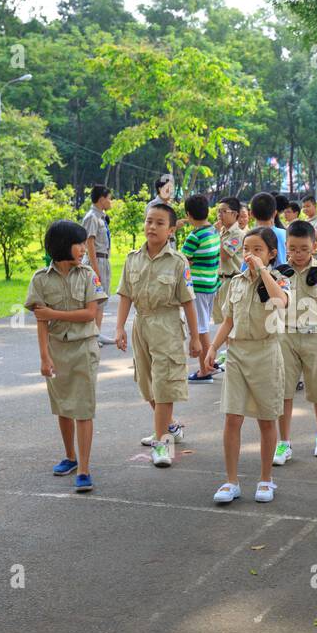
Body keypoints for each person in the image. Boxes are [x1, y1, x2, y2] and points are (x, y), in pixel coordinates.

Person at [202, 228, 291, 504]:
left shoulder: (280, 278)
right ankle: (231, 481)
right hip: (237, 353)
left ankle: (266, 479)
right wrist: (213, 347)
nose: (249, 255)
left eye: (257, 250)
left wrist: (263, 271)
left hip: (265, 352)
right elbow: (228, 320)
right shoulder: (236, 282)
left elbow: (281, 301)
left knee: (266, 419)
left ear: (271, 253)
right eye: (246, 249)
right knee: (232, 417)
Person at [114, 200, 201, 467]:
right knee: (147, 384)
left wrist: (196, 338)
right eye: (149, 221)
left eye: (160, 223)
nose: (152, 227)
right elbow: (126, 294)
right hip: (142, 324)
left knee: (164, 386)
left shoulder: (178, 262)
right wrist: (119, 327)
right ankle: (169, 425)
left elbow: (188, 301)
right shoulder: (132, 258)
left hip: (167, 326)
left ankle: (163, 443)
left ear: (171, 230)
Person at [26, 220, 104, 493]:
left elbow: (89, 314)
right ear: (62, 246)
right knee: (63, 406)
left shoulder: (88, 275)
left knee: (82, 408)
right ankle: (70, 457)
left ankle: (84, 468)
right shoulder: (40, 279)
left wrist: (52, 313)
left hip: (84, 347)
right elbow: (40, 322)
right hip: (57, 350)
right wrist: (44, 358)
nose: (84, 249)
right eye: (79, 243)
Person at [274, 220, 317, 464]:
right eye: (293, 248)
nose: (298, 254)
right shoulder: (280, 272)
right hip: (286, 337)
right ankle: (283, 442)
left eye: (304, 248)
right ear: (286, 246)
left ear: (314, 246)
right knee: (284, 391)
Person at [179, 194, 221, 384]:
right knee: (203, 327)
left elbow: (181, 261)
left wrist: (189, 260)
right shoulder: (212, 231)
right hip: (211, 284)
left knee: (200, 329)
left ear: (188, 214)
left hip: (198, 287)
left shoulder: (194, 236)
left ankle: (205, 369)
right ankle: (210, 363)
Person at [213, 196, 246, 367]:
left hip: (232, 280)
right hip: (221, 281)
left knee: (230, 322)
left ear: (234, 214)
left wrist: (216, 236)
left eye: (223, 211)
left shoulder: (238, 234)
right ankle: (229, 355)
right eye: (218, 211)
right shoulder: (223, 232)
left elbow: (225, 255)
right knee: (224, 321)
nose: (219, 215)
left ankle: (233, 358)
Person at [82, 185, 115, 345]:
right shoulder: (91, 217)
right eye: (109, 198)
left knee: (102, 297)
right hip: (97, 261)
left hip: (104, 260)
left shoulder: (101, 217)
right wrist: (95, 268)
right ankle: (91, 334)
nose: (111, 201)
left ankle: (97, 333)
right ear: (101, 199)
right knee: (94, 297)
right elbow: (89, 242)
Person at [250, 192, 288, 268]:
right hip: (282, 277)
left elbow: (246, 265)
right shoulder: (285, 233)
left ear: (251, 214)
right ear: (275, 213)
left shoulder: (250, 236)